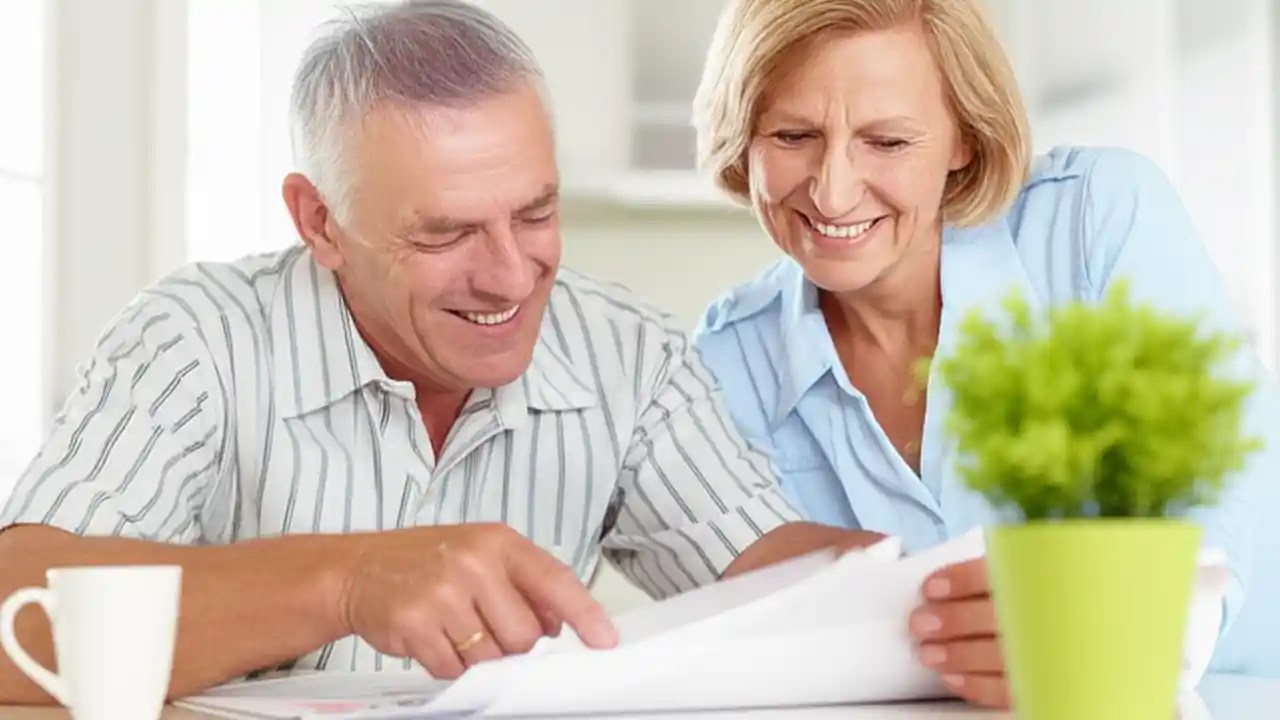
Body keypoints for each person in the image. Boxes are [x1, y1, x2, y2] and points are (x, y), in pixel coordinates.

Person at [0, 0, 884, 705]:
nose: (509, 277)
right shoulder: (198, 341)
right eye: (446, 233)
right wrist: (349, 581)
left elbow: (787, 582)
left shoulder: (627, 356)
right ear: (320, 222)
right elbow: (16, 606)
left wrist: (928, 595)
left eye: (536, 213)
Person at [690, 0, 1280, 707]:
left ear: (964, 139)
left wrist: (1131, 634)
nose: (833, 189)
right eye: (793, 135)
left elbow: (1223, 461)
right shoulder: (725, 362)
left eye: (888, 142)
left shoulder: (1094, 220)